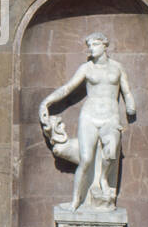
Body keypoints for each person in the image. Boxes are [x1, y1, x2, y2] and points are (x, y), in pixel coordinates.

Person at [39, 32, 136, 210]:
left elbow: (126, 90)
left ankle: (103, 180)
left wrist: (130, 104)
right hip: (89, 116)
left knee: (111, 152)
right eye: (90, 45)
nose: (92, 48)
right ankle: (76, 200)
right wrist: (47, 102)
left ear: (105, 46)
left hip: (111, 117)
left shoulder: (117, 68)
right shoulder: (86, 68)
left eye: (95, 44)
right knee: (85, 159)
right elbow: (67, 88)